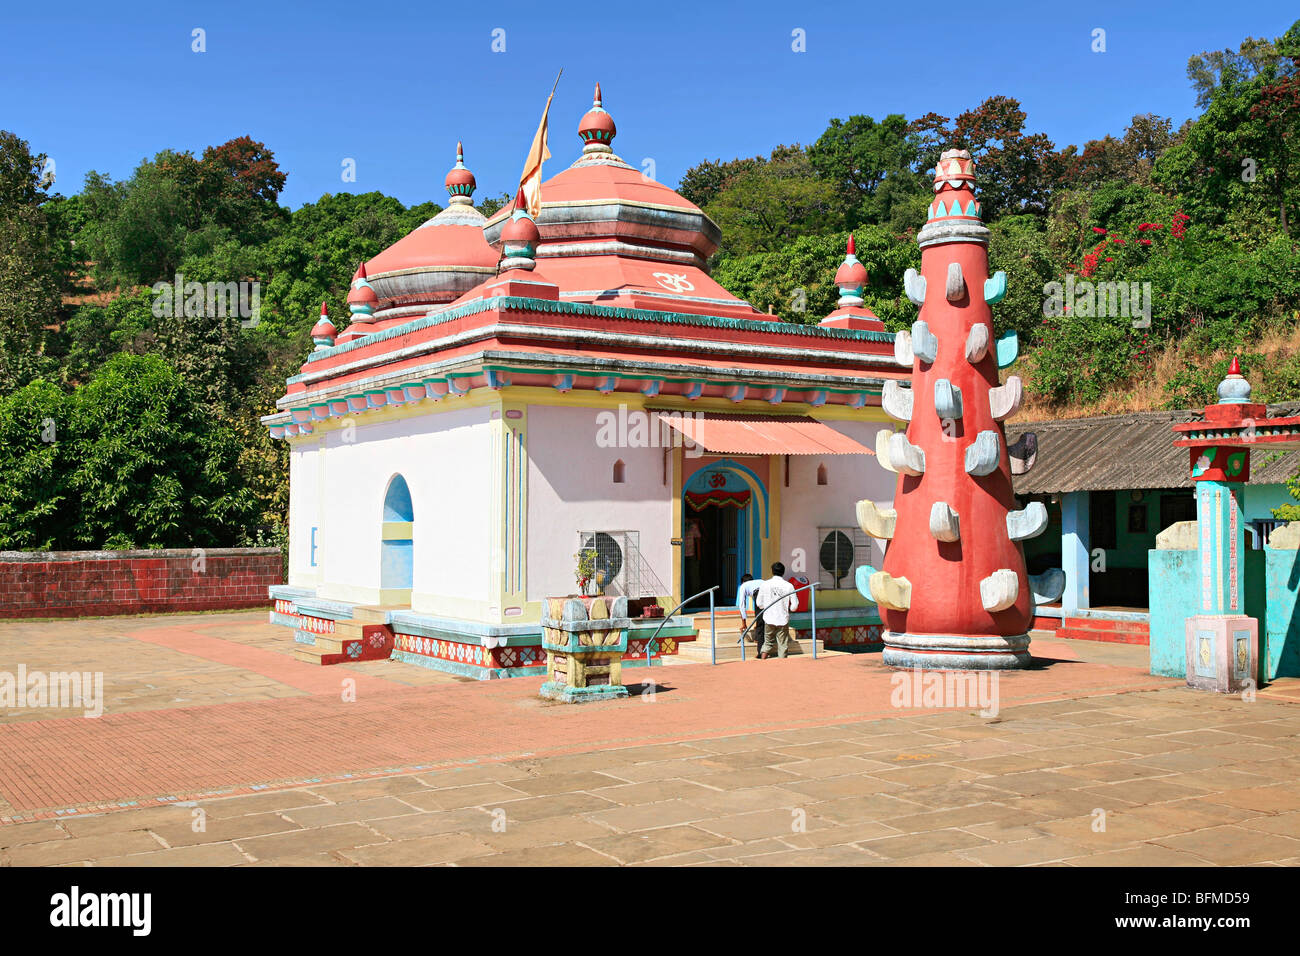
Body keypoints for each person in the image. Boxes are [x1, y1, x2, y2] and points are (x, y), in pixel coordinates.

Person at [757, 562, 799, 659]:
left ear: (772, 571)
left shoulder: (765, 584)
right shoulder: (789, 586)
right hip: (782, 618)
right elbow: (794, 606)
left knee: (767, 642)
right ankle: (782, 665)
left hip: (768, 618)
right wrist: (790, 609)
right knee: (783, 644)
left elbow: (759, 603)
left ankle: (762, 662)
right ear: (783, 572)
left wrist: (765, 607)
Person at [735, 573, 764, 652]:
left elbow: (742, 605)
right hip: (769, 594)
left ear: (743, 582)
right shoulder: (760, 581)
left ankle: (759, 644)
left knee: (760, 620)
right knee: (761, 617)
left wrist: (744, 623)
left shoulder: (743, 586)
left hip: (759, 594)